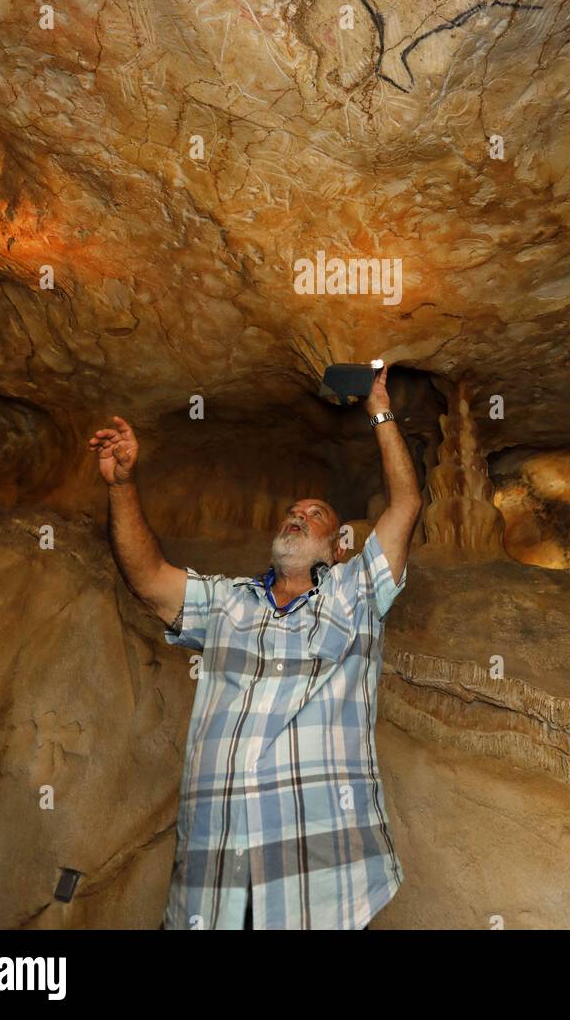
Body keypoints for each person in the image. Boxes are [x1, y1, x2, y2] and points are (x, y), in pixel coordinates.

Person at [89, 364, 422, 930]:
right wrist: (121, 486)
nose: (298, 515)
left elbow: (405, 505)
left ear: (340, 547)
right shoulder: (227, 603)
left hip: (315, 885)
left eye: (314, 514)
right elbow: (147, 579)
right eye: (293, 511)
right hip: (211, 883)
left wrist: (380, 414)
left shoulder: (353, 595)